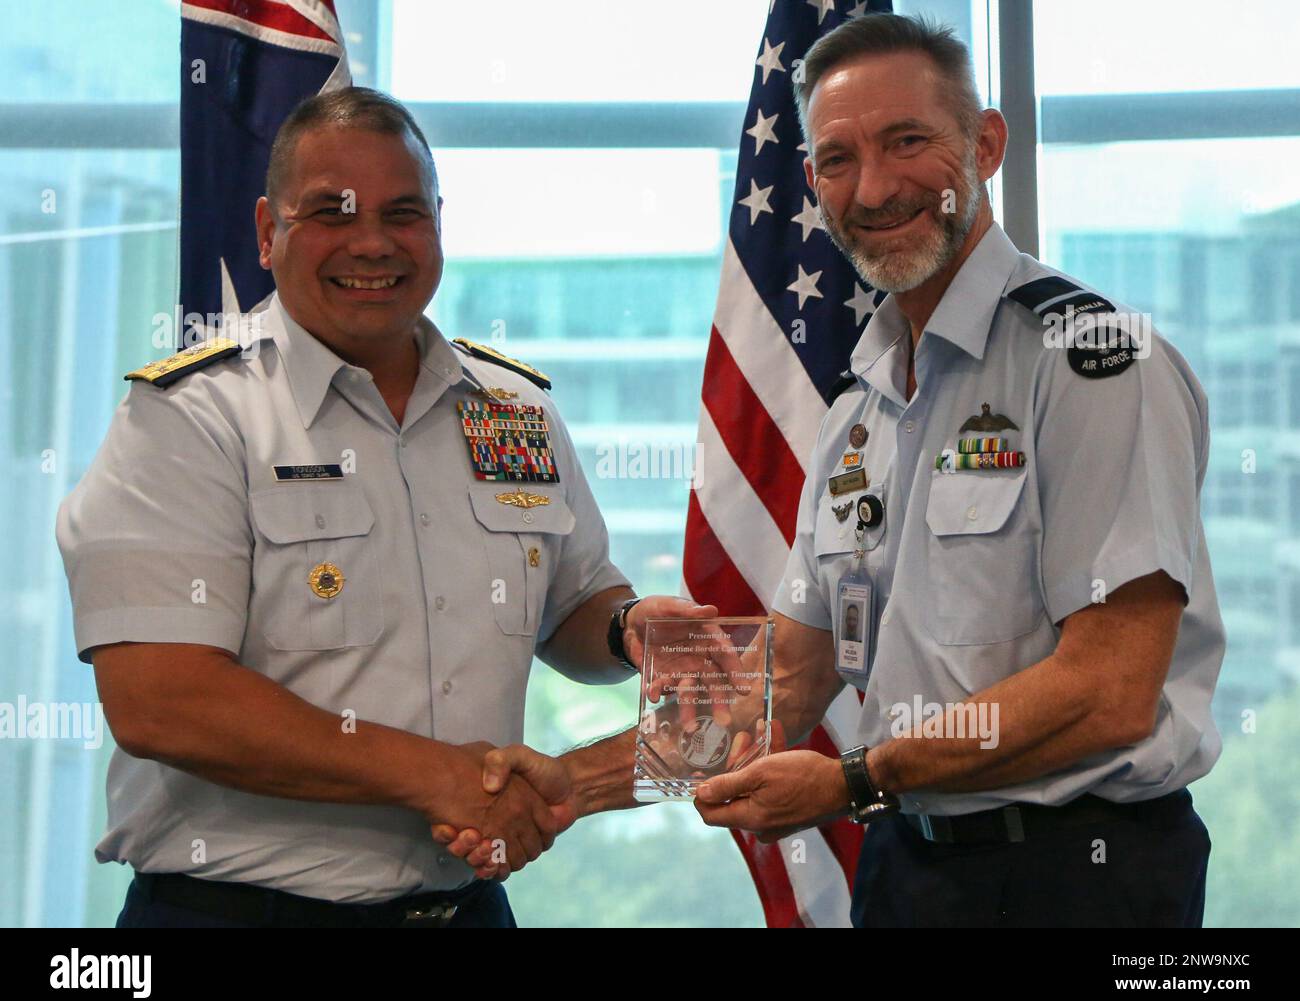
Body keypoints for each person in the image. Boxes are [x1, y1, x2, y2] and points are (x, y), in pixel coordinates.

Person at [55, 86, 711, 928]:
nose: (371, 242)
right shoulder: (190, 419)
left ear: (438, 224)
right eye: (332, 212)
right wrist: (439, 777)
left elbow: (571, 606)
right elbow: (162, 701)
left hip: (468, 908)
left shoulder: (511, 410)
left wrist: (625, 628)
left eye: (403, 213)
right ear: (267, 231)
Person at [684, 13, 1225, 928]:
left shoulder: (1092, 360)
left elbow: (1110, 691)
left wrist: (856, 779)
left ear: (986, 146)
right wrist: (572, 779)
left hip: (1080, 873)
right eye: (839, 159)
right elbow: (796, 670)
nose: (875, 188)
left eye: (908, 142)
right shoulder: (858, 404)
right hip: (908, 865)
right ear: (812, 182)